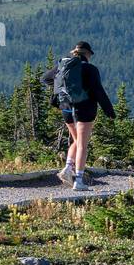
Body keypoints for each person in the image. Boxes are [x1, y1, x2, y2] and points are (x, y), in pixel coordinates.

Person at [44, 41, 115, 192]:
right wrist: (109, 110)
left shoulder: (63, 66)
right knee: (82, 144)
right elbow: (98, 91)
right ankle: (79, 181)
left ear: (75, 52)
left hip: (66, 108)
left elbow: (45, 79)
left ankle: (68, 168)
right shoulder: (90, 69)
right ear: (87, 54)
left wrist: (61, 87)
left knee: (76, 140)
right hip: (85, 109)